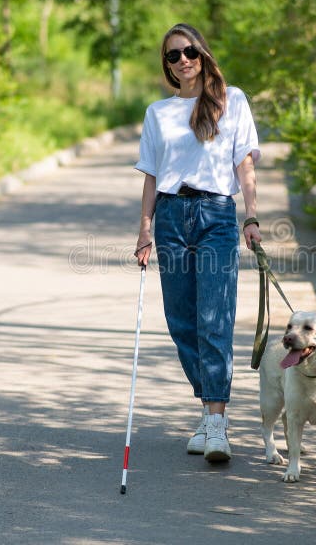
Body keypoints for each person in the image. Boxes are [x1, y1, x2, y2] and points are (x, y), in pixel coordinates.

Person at [133, 23, 261, 463]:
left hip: (215, 216)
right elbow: (151, 174)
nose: (182, 60)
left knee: (214, 318)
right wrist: (145, 227)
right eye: (172, 56)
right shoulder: (158, 113)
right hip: (170, 217)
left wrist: (252, 216)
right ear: (167, 66)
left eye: (188, 51)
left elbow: (244, 165)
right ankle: (208, 411)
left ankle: (217, 423)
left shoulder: (233, 100)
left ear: (202, 53)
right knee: (182, 322)